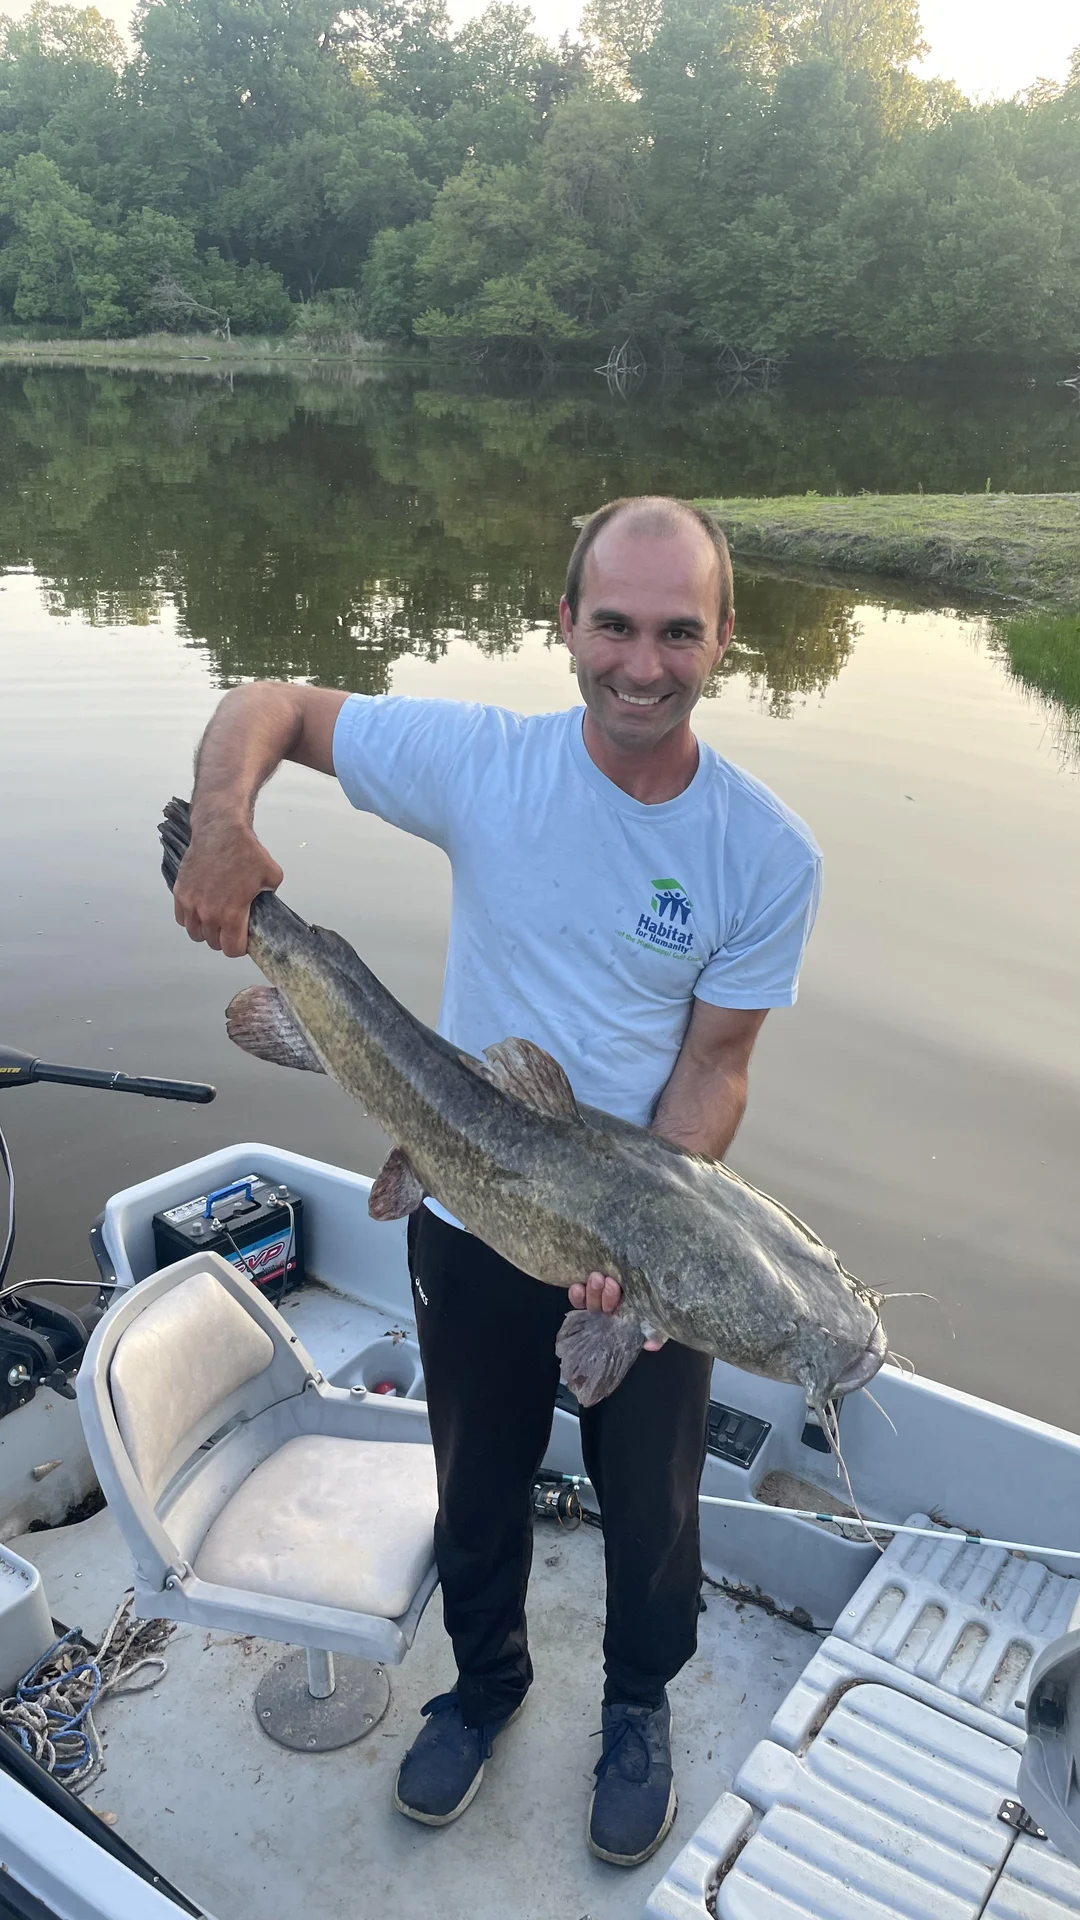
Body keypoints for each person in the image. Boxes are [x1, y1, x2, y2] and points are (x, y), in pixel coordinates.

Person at [172, 495, 821, 1869]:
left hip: (642, 1248)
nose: (641, 664)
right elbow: (268, 705)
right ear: (565, 622)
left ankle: (636, 1707)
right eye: (614, 625)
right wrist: (223, 824)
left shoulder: (765, 854)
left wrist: (637, 1238)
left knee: (655, 1507)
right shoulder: (486, 762)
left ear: (724, 639)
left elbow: (716, 1069)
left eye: (678, 632)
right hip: (466, 1215)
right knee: (476, 1481)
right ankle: (483, 1687)